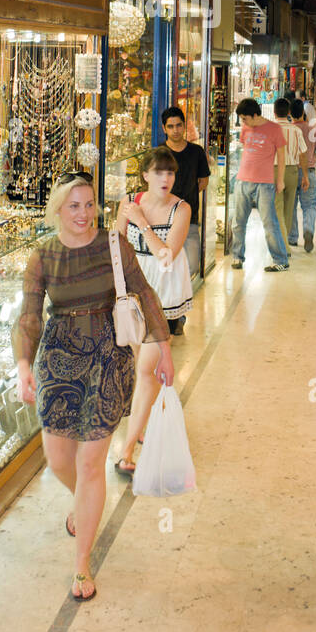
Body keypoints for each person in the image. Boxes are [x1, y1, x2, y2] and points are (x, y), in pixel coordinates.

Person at [15, 170, 173, 602]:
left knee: (90, 464)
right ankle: (84, 502)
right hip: (58, 360)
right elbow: (29, 315)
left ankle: (82, 563)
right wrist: (22, 364)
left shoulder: (113, 245)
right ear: (58, 210)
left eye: (89, 205)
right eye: (74, 206)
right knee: (59, 458)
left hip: (108, 356)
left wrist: (164, 349)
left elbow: (144, 292)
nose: (83, 214)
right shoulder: (43, 255)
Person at [115, 147, 191, 471]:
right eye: (159, 172)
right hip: (132, 292)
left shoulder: (181, 209)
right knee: (137, 365)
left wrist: (142, 223)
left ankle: (126, 452)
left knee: (147, 372)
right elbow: (116, 246)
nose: (166, 178)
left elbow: (166, 256)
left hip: (161, 294)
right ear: (145, 175)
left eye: (170, 173)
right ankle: (144, 424)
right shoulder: (130, 202)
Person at [161, 105, 210, 331]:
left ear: (184, 125)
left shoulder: (196, 152)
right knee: (166, 267)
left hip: (189, 218)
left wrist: (184, 203)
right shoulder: (160, 153)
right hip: (163, 222)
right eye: (170, 126)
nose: (175, 130)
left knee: (189, 264)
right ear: (164, 129)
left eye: (179, 125)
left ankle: (175, 312)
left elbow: (203, 181)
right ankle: (173, 316)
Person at [231, 97, 290, 272]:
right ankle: (237, 256)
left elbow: (281, 157)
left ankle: (281, 259)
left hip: (264, 184)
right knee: (238, 221)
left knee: (269, 222)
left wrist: (280, 180)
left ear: (255, 114)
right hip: (242, 181)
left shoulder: (274, 129)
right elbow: (245, 150)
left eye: (245, 118)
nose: (243, 122)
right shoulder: (246, 128)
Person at [287, 98, 316, 251]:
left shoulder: (289, 129)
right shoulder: (313, 129)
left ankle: (292, 237)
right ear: (303, 113)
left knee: (291, 205)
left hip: (291, 171)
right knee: (309, 205)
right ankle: (308, 229)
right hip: (308, 172)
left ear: (290, 113)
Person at [273, 97, 309, 247]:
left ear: (274, 112)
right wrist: (305, 176)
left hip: (274, 171)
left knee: (277, 207)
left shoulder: (270, 129)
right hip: (293, 172)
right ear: (288, 112)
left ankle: (282, 246)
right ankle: (285, 241)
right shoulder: (295, 130)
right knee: (289, 208)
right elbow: (303, 154)